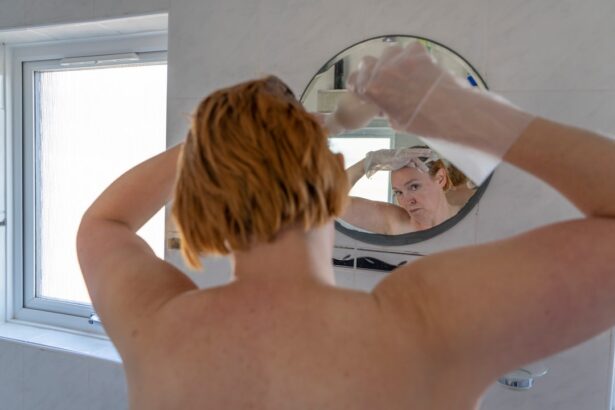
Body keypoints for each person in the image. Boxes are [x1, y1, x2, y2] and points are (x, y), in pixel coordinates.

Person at [76, 42, 615, 410]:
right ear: (336, 173)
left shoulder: (157, 328)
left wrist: (217, 143)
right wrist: (463, 112)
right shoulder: (426, 322)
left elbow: (104, 222)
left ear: (196, 190)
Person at [341, 147, 463, 234]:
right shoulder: (394, 222)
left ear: (440, 179)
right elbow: (331, 201)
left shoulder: (469, 218)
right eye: (398, 192)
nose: (407, 201)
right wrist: (368, 162)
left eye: (414, 187)